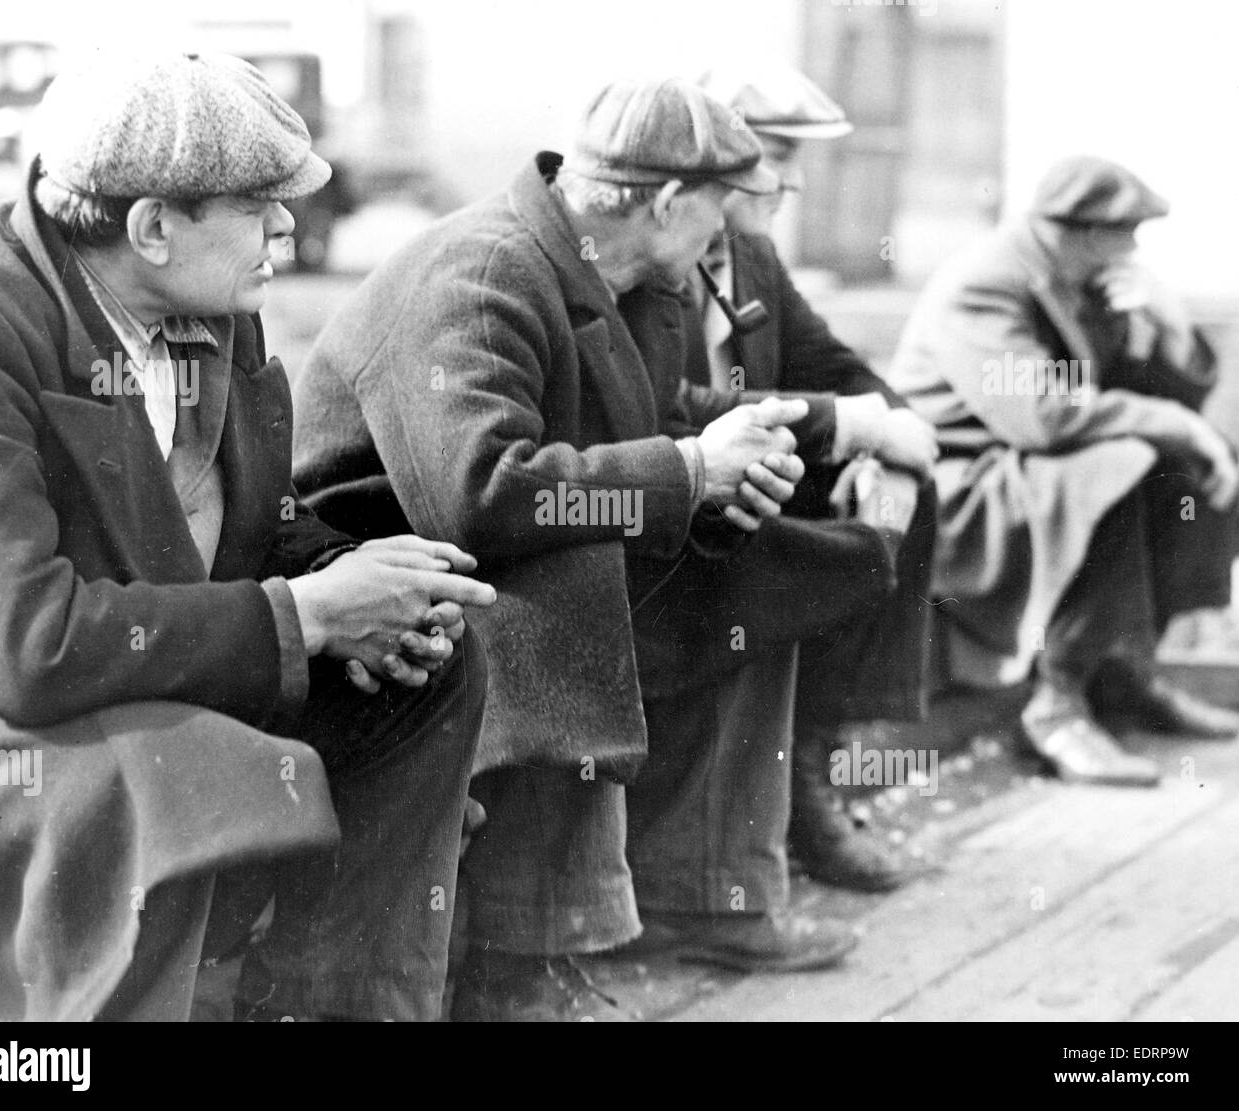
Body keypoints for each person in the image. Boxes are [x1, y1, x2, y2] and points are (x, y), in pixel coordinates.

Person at [0, 50, 495, 1022]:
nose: (288, 223)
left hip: (132, 680)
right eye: (258, 203)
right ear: (152, 225)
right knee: (182, 767)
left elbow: (249, 531)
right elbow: (23, 647)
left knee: (429, 666)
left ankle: (333, 1007)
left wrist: (350, 579)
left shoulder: (203, 304)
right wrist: (302, 616)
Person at [293, 78, 861, 1022]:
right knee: (567, 578)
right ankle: (520, 967)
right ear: (670, 203)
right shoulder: (482, 275)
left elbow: (624, 434)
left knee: (758, 571)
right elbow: (478, 494)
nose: (724, 238)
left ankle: (705, 890)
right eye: (718, 210)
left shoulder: (602, 270)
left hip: (470, 555)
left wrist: (719, 487)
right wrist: (685, 471)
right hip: (374, 573)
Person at [651, 65, 940, 892]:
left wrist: (884, 430)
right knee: (817, 536)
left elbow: (834, 365)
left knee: (899, 489)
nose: (793, 180)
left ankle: (816, 756)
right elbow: (672, 401)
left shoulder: (751, 257)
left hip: (743, 480)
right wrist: (848, 425)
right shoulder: (652, 253)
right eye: (775, 152)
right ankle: (789, 806)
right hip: (671, 500)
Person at [888, 155, 1239, 786]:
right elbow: (1040, 416)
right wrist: (1172, 423)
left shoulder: (1078, 280)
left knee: (1189, 465)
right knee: (1124, 465)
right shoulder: (988, 281)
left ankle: (1120, 668)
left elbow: (1148, 398)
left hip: (1026, 464)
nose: (1132, 249)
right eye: (1123, 233)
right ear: (1072, 230)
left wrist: (1163, 326)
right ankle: (1056, 703)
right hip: (958, 478)